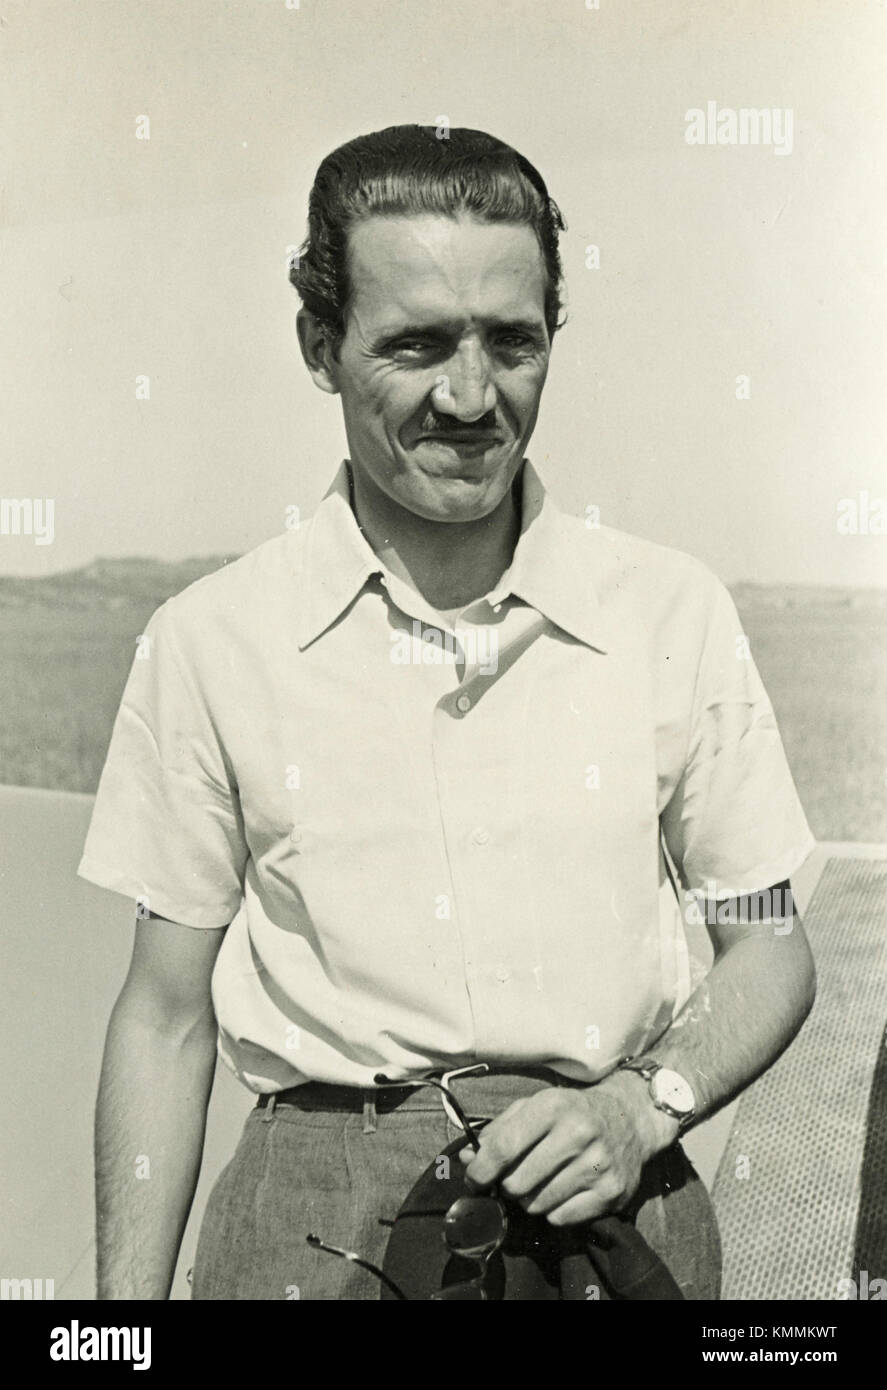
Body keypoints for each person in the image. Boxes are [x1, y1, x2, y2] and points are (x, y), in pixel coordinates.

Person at [79, 124, 817, 1301]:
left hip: (609, 1227)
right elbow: (164, 1016)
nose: (471, 396)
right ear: (318, 345)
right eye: (416, 344)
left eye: (511, 342)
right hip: (307, 1243)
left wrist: (641, 1107)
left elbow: (767, 938)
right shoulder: (210, 640)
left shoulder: (672, 612)